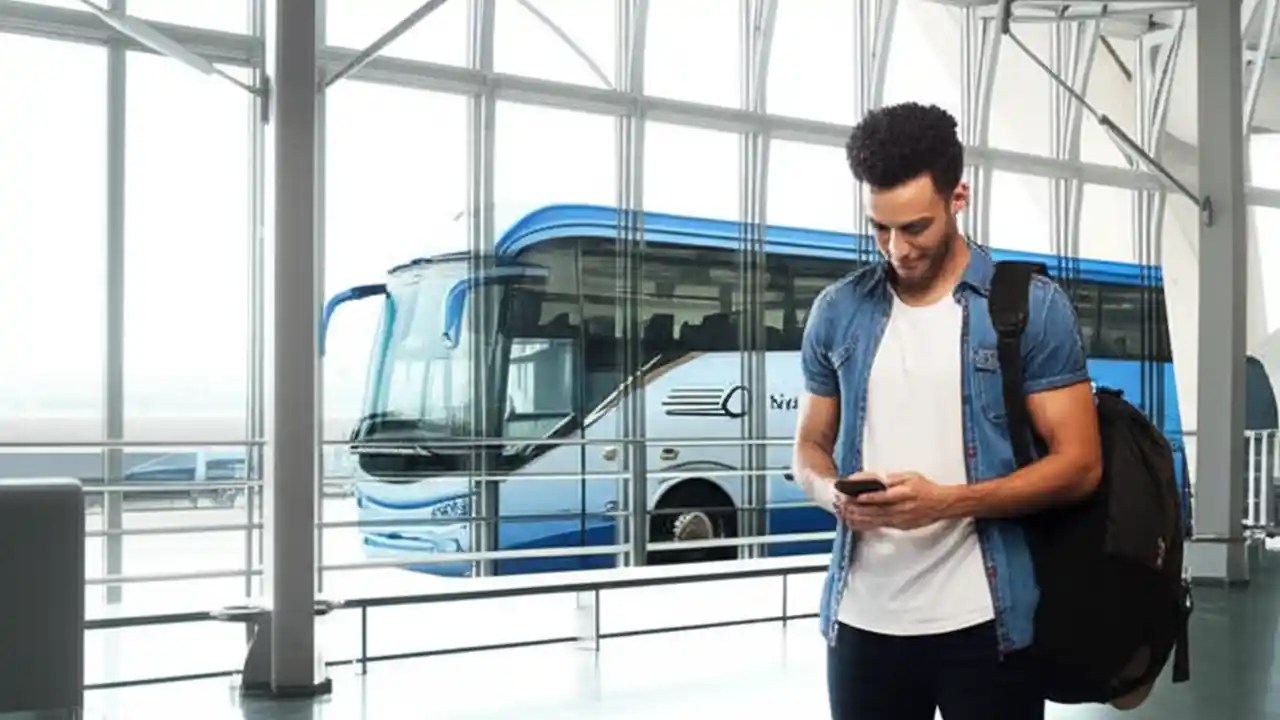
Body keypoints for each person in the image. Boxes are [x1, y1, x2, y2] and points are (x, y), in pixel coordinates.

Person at [791, 102, 1104, 720]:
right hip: (861, 626)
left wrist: (948, 502)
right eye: (879, 228)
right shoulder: (837, 311)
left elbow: (1081, 466)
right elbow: (807, 449)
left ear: (958, 196)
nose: (896, 248)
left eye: (915, 227)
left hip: (988, 625)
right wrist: (833, 494)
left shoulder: (1028, 308)